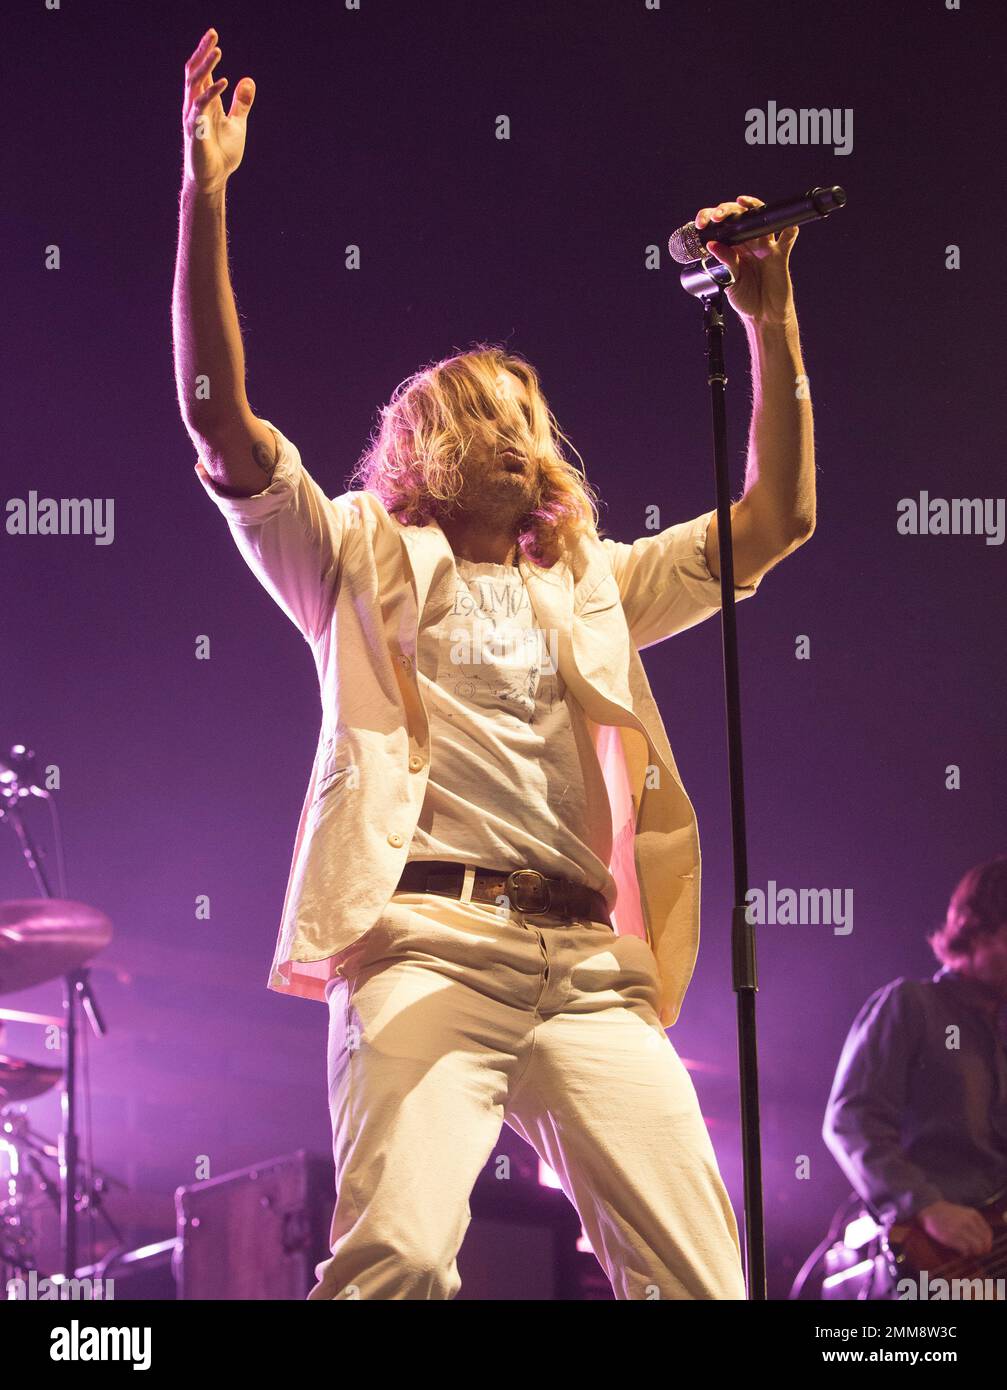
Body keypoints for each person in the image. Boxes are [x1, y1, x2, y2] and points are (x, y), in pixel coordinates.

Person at [172, 29, 816, 1300]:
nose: (525, 433)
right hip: (419, 937)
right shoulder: (350, 551)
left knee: (703, 1279)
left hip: (583, 968)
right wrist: (203, 195)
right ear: (427, 439)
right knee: (396, 1262)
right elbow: (213, 412)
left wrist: (771, 321)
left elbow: (774, 521)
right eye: (495, 414)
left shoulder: (593, 578)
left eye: (534, 415)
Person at [823, 856, 1007, 1272]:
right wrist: (926, 1207)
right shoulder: (911, 1005)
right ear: (974, 929)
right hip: (935, 1260)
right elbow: (851, 1119)